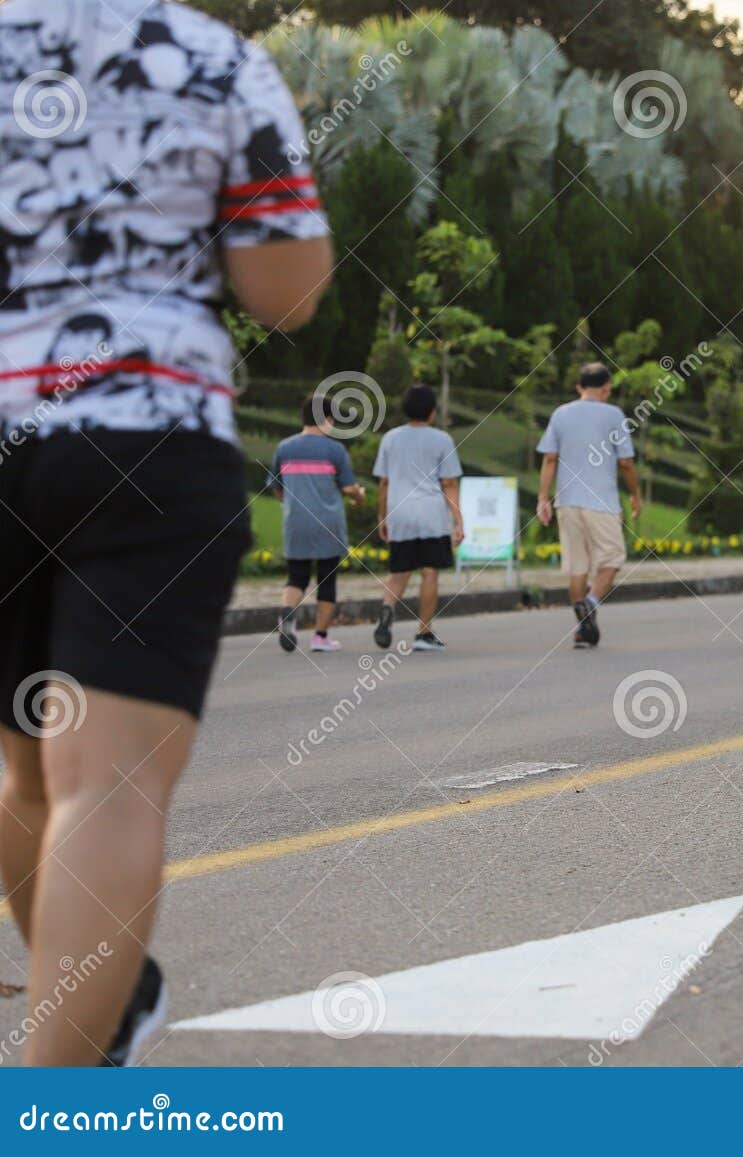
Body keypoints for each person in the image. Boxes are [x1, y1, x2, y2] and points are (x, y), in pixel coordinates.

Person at [0, 0, 332, 1066]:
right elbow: (285, 289)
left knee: (24, 776)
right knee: (107, 781)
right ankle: (55, 1098)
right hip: (145, 439)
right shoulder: (213, 60)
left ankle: (97, 1010)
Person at [536, 363, 642, 648]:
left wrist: (542, 497)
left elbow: (549, 459)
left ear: (579, 388)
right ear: (606, 388)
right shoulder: (614, 415)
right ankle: (591, 603)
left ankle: (583, 630)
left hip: (567, 501)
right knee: (613, 558)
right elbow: (626, 462)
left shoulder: (560, 414)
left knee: (576, 566)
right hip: (602, 500)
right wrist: (635, 494)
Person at [269, 396, 366, 653]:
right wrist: (359, 495)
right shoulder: (335, 450)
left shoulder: (284, 448)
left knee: (296, 576)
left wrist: (289, 503)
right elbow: (348, 487)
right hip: (327, 523)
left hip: (296, 521)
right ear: (328, 420)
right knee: (327, 579)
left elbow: (277, 488)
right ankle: (320, 638)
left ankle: (288, 614)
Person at [374, 386, 463, 651]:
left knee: (398, 572)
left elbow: (384, 483)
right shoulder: (441, 440)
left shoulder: (390, 439)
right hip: (430, 513)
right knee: (429, 572)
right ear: (432, 412)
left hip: (399, 511)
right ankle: (424, 633)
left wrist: (382, 516)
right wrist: (459, 519)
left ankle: (387, 609)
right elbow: (448, 483)